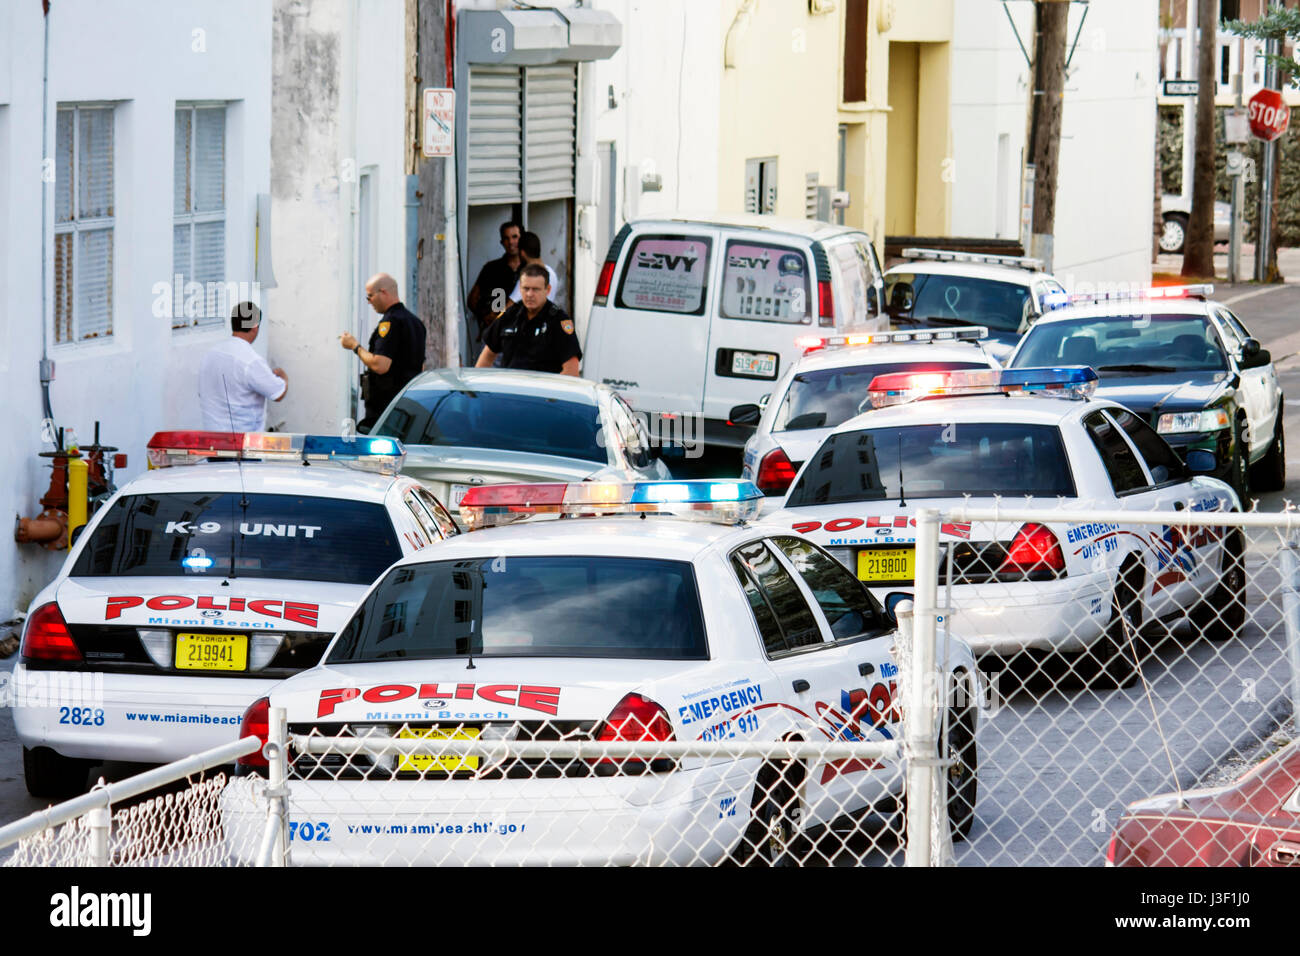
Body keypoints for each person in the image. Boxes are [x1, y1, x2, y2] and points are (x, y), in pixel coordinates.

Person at [340, 273, 427, 432]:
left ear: (384, 292)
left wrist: (354, 346)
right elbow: (421, 366)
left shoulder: (390, 322)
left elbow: (380, 365)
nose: (369, 302)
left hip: (386, 409)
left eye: (370, 296)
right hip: (408, 405)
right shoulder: (415, 322)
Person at [475, 264, 580, 376]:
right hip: (509, 389)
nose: (530, 294)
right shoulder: (509, 316)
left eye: (535, 289)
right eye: (526, 288)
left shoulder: (559, 321)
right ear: (520, 288)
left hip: (541, 391)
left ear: (547, 290)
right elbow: (486, 358)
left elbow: (571, 371)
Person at [198, 301, 288, 431]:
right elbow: (278, 393)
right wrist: (283, 376)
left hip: (212, 440)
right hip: (242, 443)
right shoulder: (251, 361)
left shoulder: (211, 354)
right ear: (255, 326)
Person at [466, 220, 522, 336]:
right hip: (497, 332)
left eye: (515, 237)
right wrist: (484, 316)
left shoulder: (530, 269)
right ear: (502, 242)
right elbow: (473, 299)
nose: (511, 242)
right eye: (506, 238)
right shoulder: (491, 268)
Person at [504, 231, 559, 306]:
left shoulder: (528, 276)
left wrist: (493, 316)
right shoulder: (552, 273)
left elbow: (508, 308)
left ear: (522, 253)